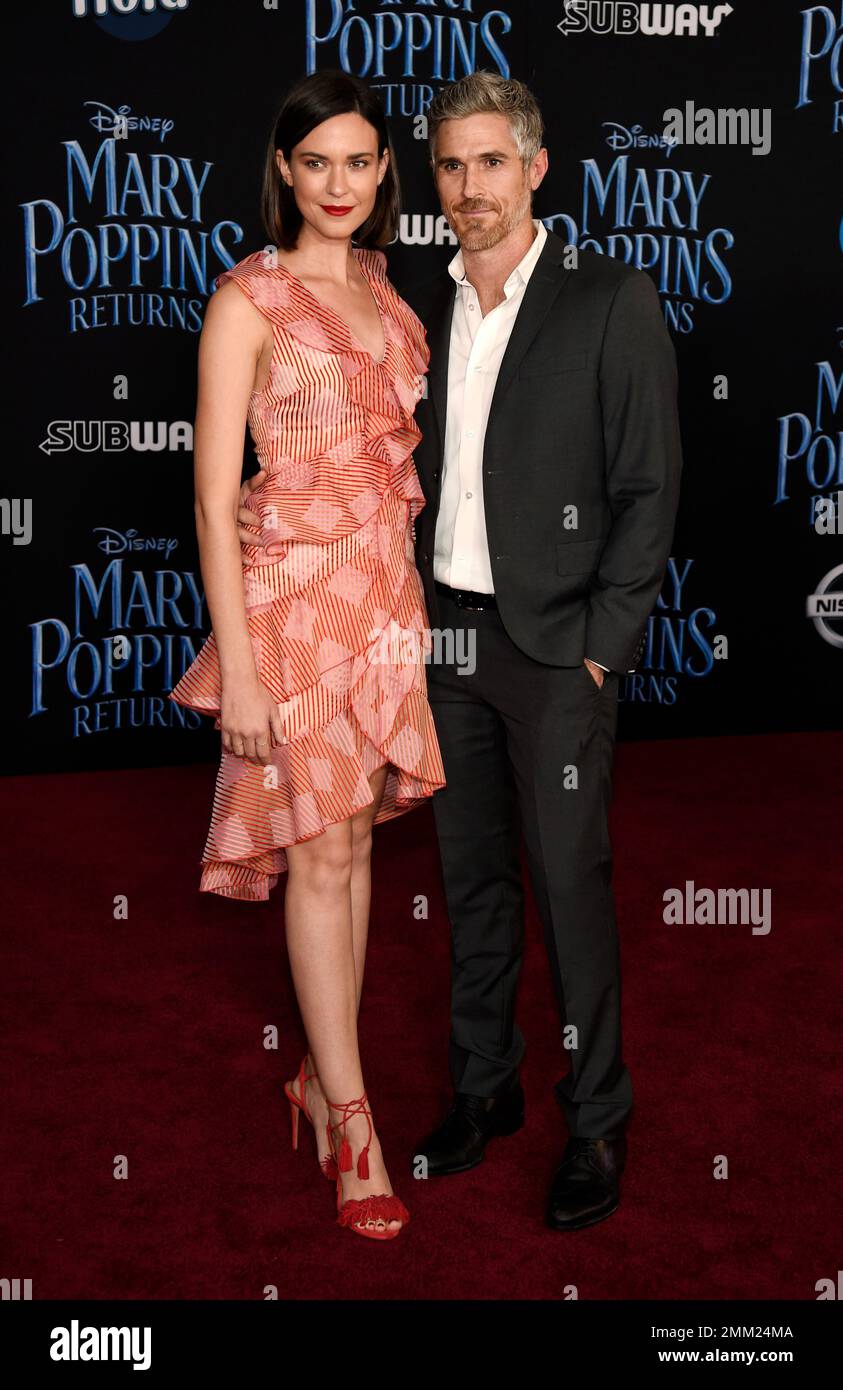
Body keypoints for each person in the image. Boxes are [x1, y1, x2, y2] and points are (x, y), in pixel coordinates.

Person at [403, 72, 683, 1230]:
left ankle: (599, 1114)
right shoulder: (428, 310)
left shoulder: (608, 298)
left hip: (559, 652)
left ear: (536, 166)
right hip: (447, 636)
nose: (473, 187)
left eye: (491, 163)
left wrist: (604, 652)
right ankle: (486, 1088)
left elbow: (648, 486)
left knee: (569, 888)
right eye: (453, 166)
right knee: (470, 884)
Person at [169, 70, 446, 1240]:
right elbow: (210, 498)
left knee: (354, 847)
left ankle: (319, 1080)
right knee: (321, 853)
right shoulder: (248, 299)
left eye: (359, 161)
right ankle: (351, 1116)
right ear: (284, 169)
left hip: (382, 601)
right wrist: (239, 666)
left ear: (385, 174)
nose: (339, 183)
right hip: (290, 614)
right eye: (316, 160)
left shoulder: (388, 291)